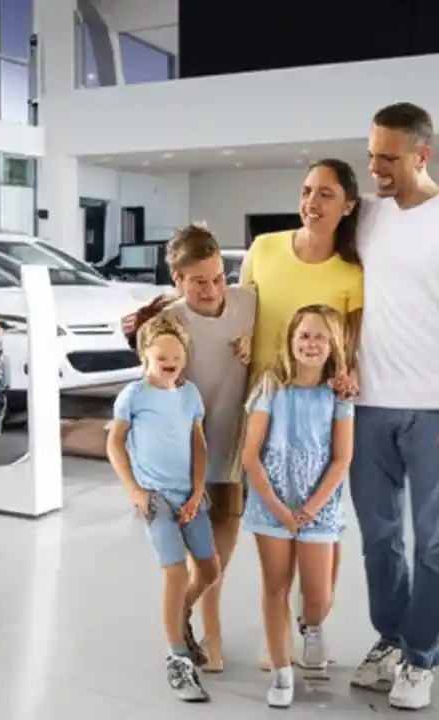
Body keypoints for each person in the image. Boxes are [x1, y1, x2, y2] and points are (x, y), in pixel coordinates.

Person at [240, 157, 364, 671]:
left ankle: (311, 624)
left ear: (348, 206)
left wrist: (347, 376)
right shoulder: (265, 248)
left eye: (326, 194)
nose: (312, 202)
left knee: (322, 554)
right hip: (263, 406)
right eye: (307, 190)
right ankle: (279, 647)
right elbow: (237, 308)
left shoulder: (351, 271)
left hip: (321, 409)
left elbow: (351, 343)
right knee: (269, 544)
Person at [124, 225, 255, 673]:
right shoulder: (170, 323)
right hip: (182, 469)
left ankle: (191, 624)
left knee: (215, 565)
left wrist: (255, 345)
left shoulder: (247, 305)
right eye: (199, 280)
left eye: (219, 277)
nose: (212, 288)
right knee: (192, 561)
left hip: (232, 455)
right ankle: (189, 636)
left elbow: (289, 338)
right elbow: (148, 364)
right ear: (177, 279)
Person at [347, 101, 439, 710]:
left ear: (421, 154)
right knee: (380, 539)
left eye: (388, 157)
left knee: (435, 544)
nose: (375, 167)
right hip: (371, 405)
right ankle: (391, 639)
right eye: (372, 153)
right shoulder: (367, 220)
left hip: (434, 408)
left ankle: (421, 655)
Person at [239, 304, 355, 708]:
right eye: (304, 335)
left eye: (320, 337)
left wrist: (307, 512)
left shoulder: (339, 397)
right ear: (290, 340)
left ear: (333, 346)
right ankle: (281, 671)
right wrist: (278, 507)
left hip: (317, 509)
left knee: (318, 596)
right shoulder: (270, 387)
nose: (310, 343)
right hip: (271, 504)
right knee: (276, 586)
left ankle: (312, 627)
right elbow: (251, 456)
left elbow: (341, 460)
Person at [106, 312, 221, 703]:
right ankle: (177, 656)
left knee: (209, 568)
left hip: (190, 495)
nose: (170, 363)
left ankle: (180, 616)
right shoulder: (133, 396)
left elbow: (199, 445)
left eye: (176, 356)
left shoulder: (190, 395)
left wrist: (197, 491)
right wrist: (135, 492)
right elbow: (114, 444)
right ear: (145, 358)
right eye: (161, 357)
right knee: (174, 571)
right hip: (156, 498)